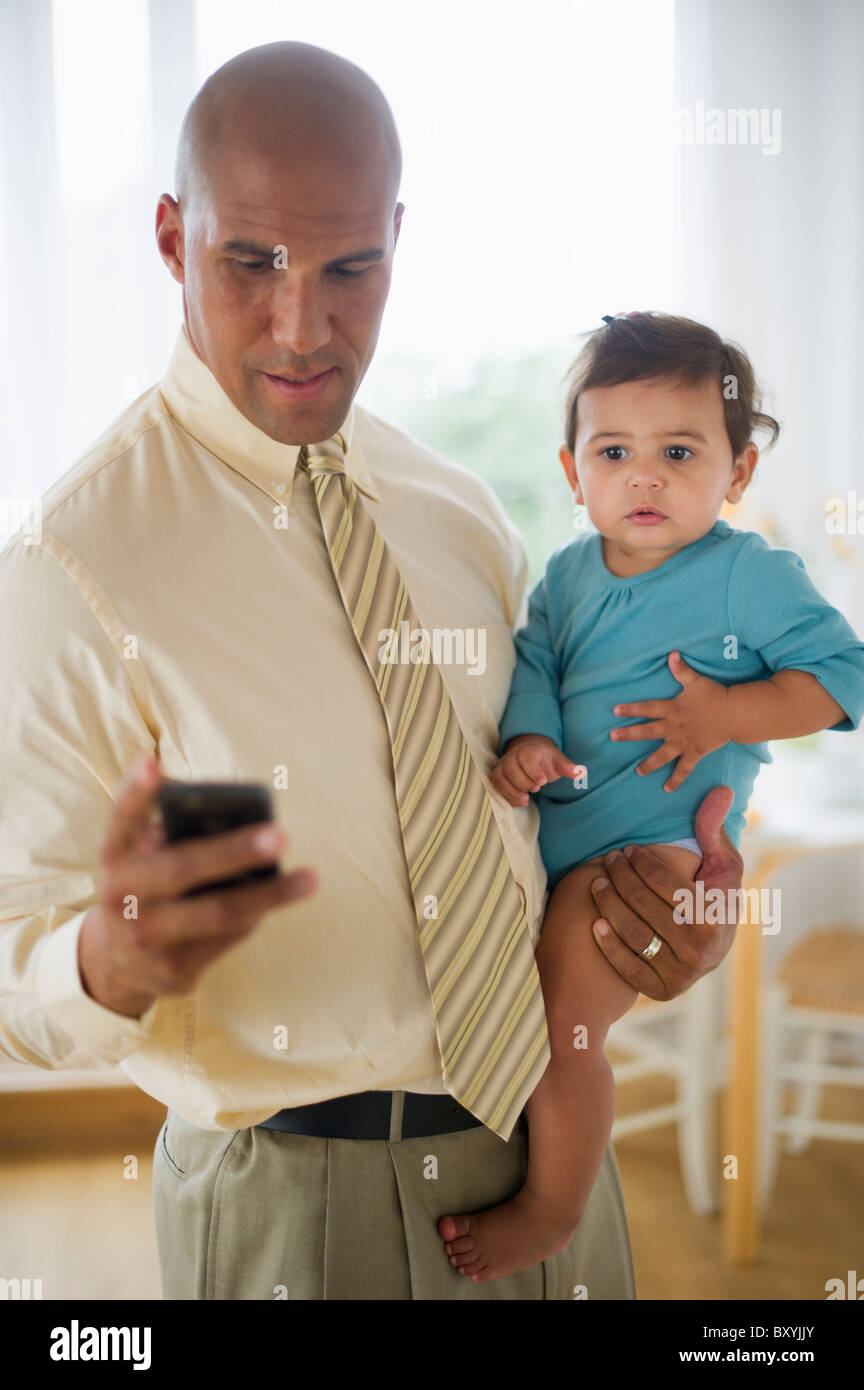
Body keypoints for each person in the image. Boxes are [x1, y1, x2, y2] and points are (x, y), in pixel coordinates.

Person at [0, 45, 744, 1301]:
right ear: (175, 237)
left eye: (351, 267)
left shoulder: (458, 513)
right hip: (294, 1213)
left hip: (556, 1172)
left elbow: (545, 823)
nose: (305, 326)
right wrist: (104, 962)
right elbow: (18, 966)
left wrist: (666, 910)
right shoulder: (70, 564)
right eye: (252, 263)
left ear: (396, 239)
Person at [436, 310, 864, 1283]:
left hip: (658, 851)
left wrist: (726, 715)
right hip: (559, 846)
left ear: (738, 472)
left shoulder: (745, 576)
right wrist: (533, 735)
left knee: (563, 1032)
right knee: (513, 1015)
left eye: (679, 451)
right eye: (615, 450)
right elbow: (538, 657)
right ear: (572, 468)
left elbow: (846, 676)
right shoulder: (567, 575)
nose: (645, 476)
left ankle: (552, 1209)